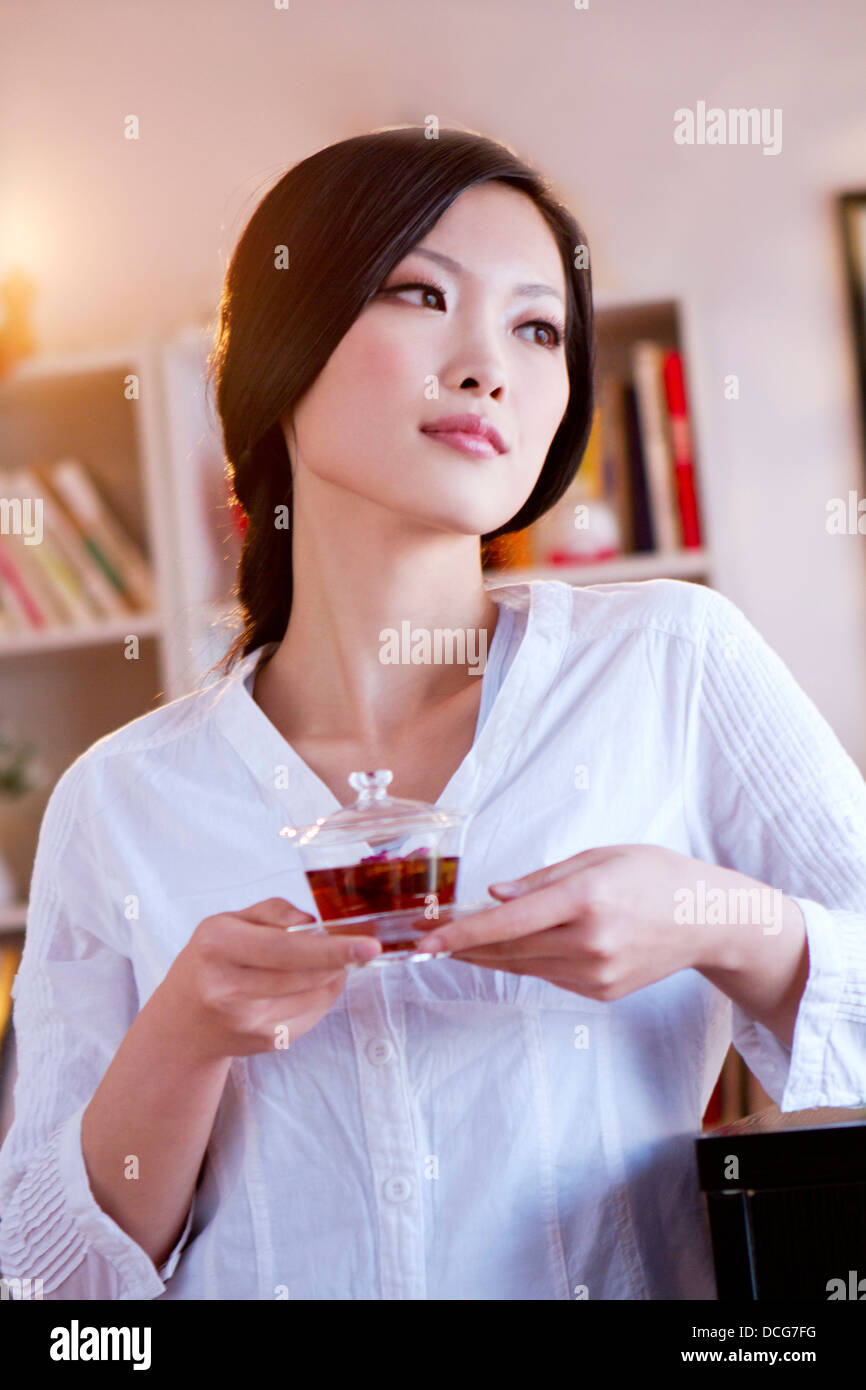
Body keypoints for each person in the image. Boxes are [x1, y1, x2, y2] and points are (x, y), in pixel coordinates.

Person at [1, 125, 864, 1301]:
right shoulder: (119, 799)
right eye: (419, 293)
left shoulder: (670, 661)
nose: (486, 365)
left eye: (536, 326)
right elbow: (50, 1297)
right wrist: (183, 1034)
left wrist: (719, 922)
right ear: (277, 349)